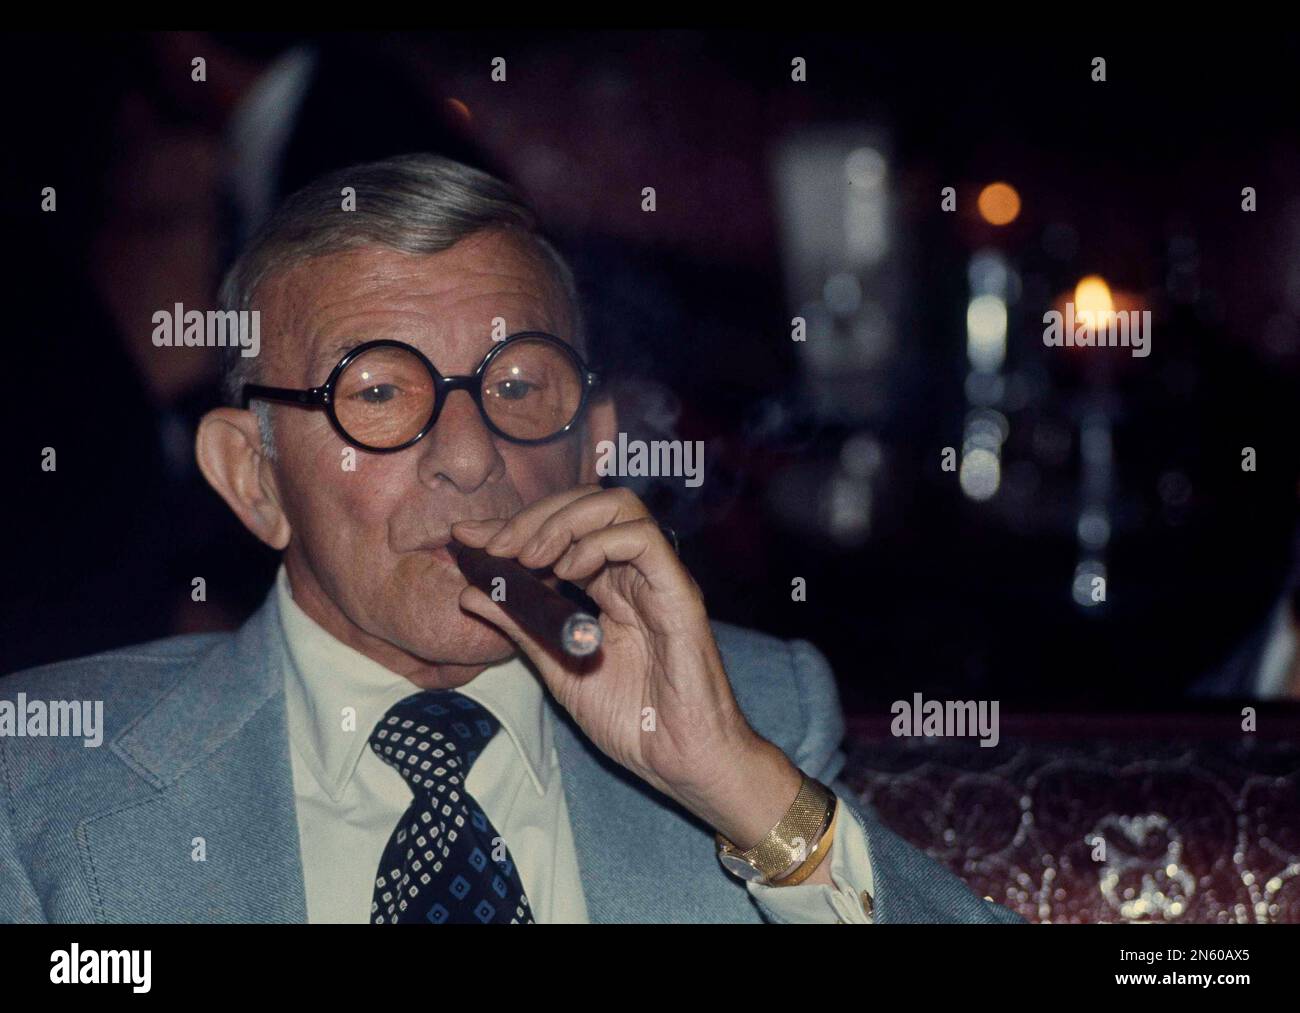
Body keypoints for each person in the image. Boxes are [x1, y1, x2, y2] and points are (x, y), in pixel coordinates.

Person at [0, 154, 1020, 924]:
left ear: (594, 452)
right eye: (381, 393)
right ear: (254, 477)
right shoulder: (42, 775)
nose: (470, 455)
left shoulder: (757, 721)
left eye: (519, 386)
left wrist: (742, 790)